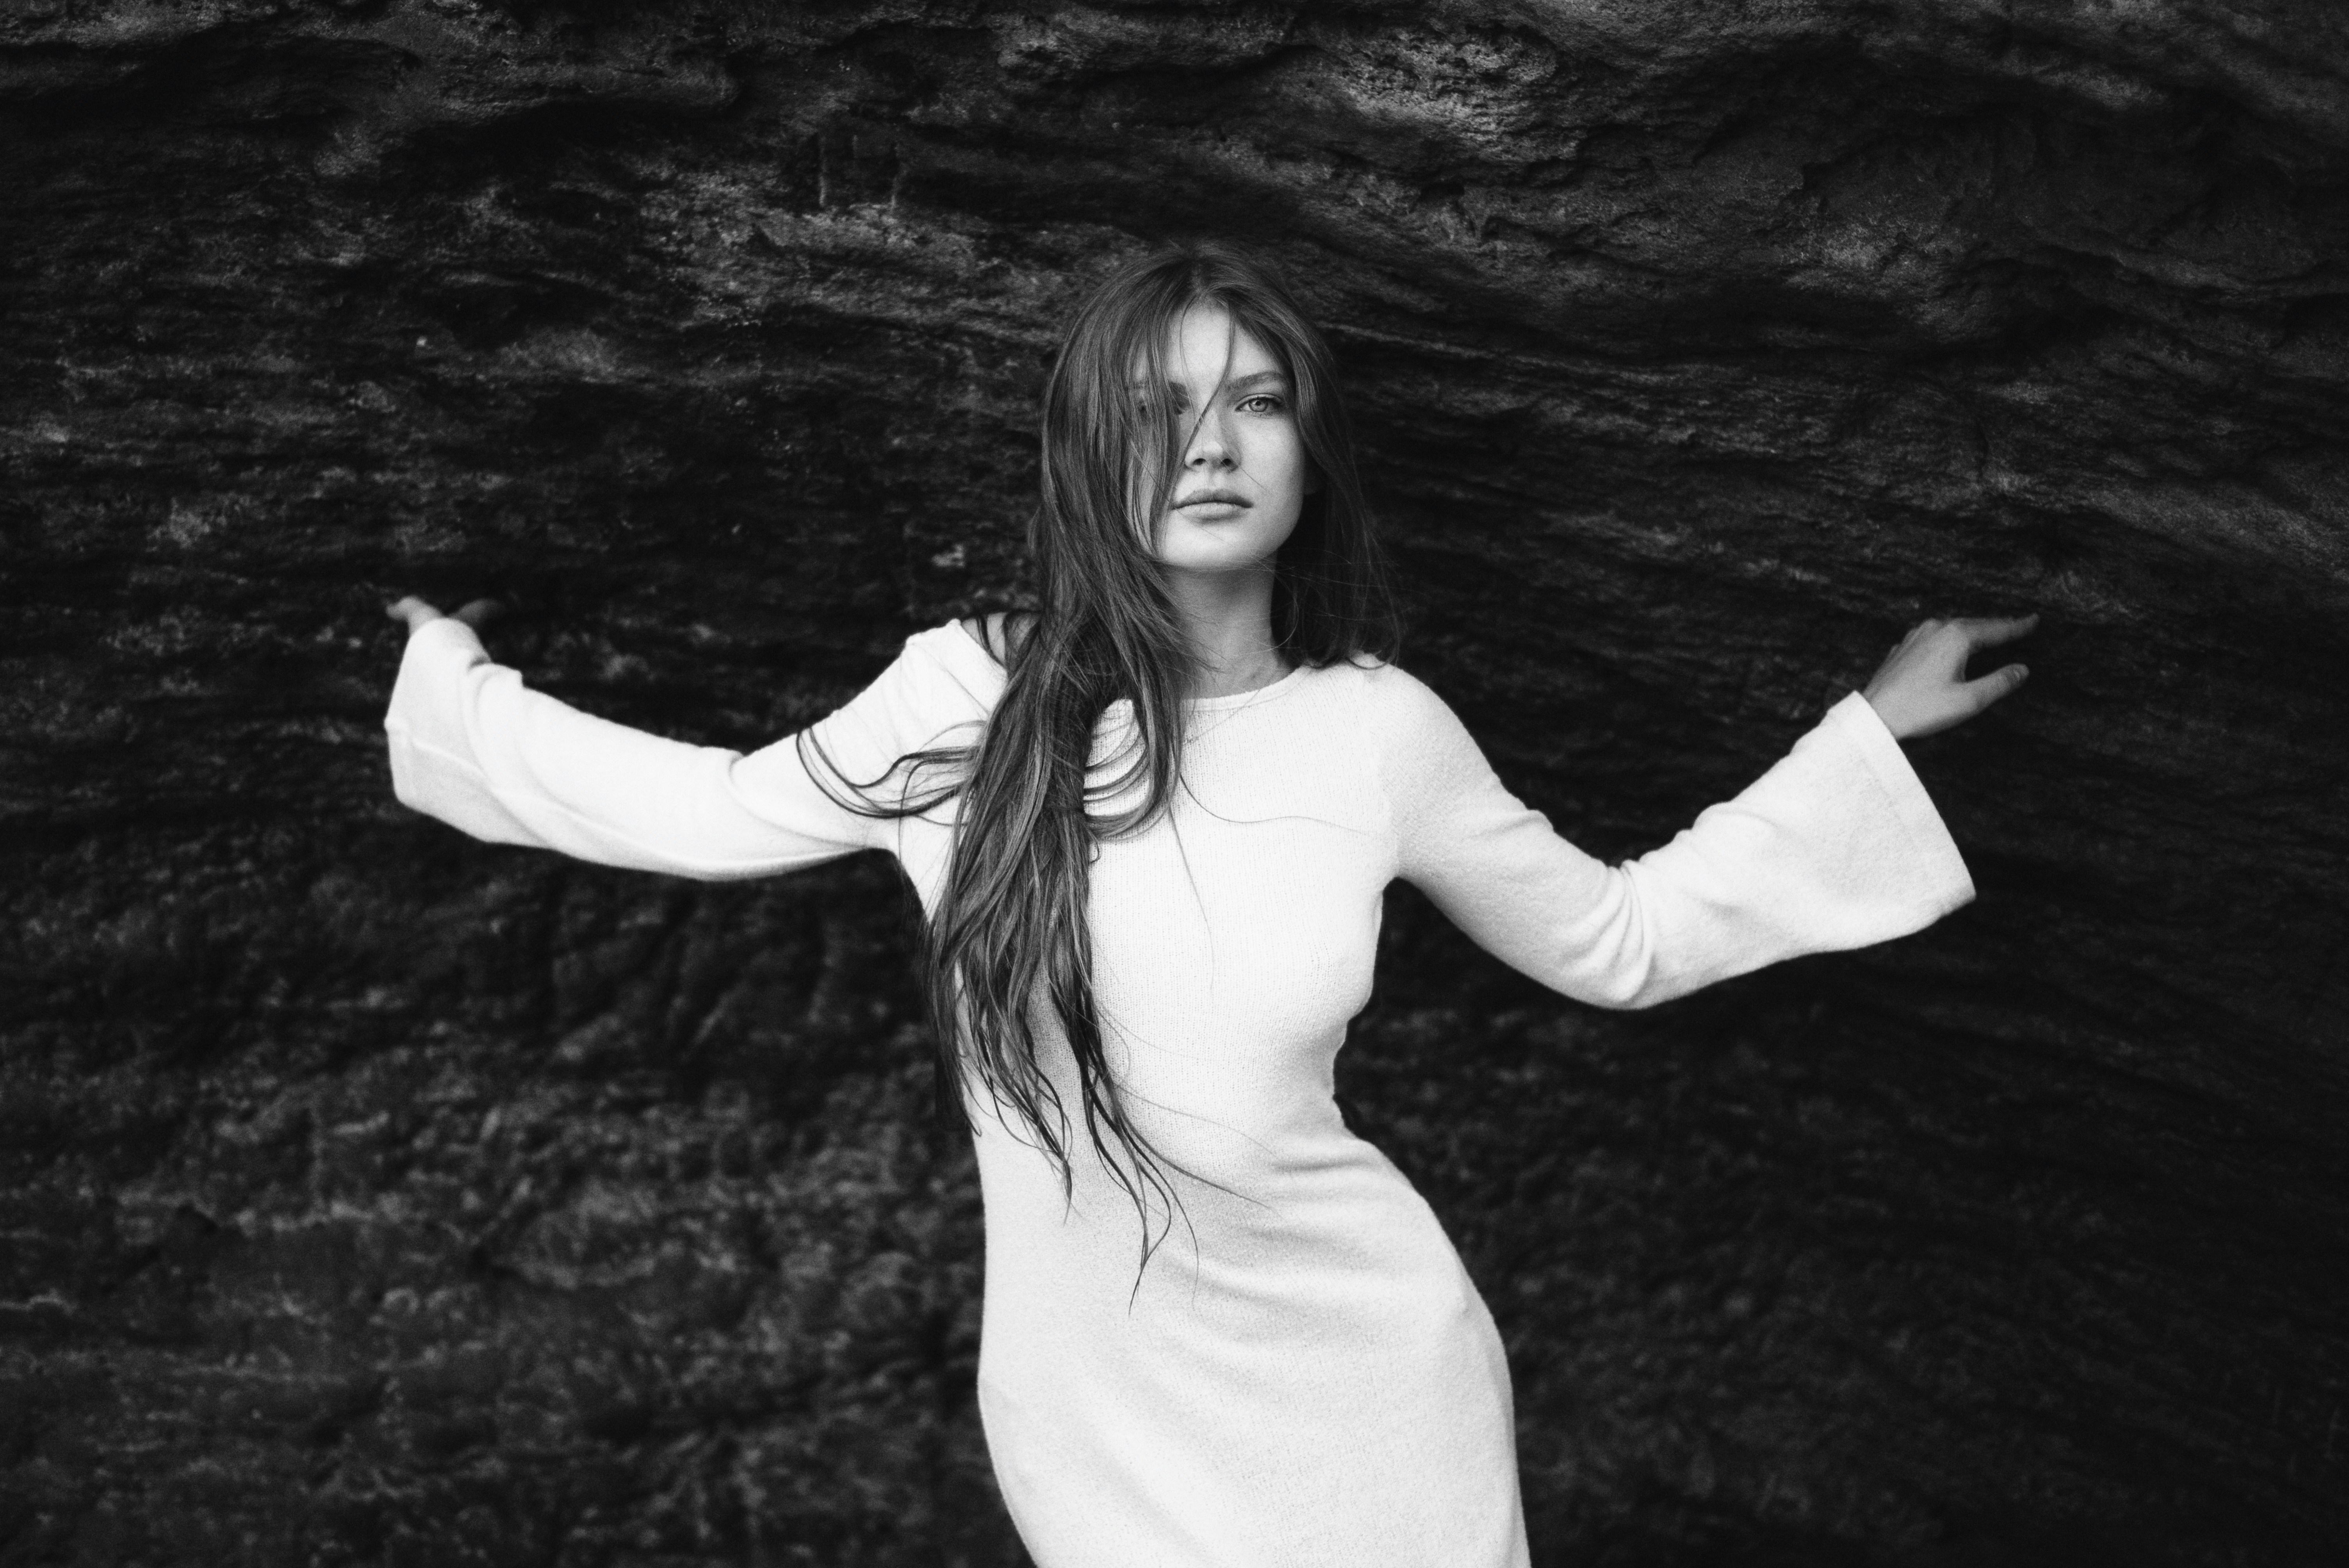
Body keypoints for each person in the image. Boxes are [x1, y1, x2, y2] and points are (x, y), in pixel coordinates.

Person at [383, 241, 2032, 1567]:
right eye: (1160, 407)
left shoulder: (1377, 727)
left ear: (1311, 450)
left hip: (1374, 1395)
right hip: (1101, 1416)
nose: (1212, 445)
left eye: (1256, 402)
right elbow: (701, 804)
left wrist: (1860, 744)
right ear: (1089, 450)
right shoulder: (967, 699)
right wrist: (448, 686)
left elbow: (1617, 937)